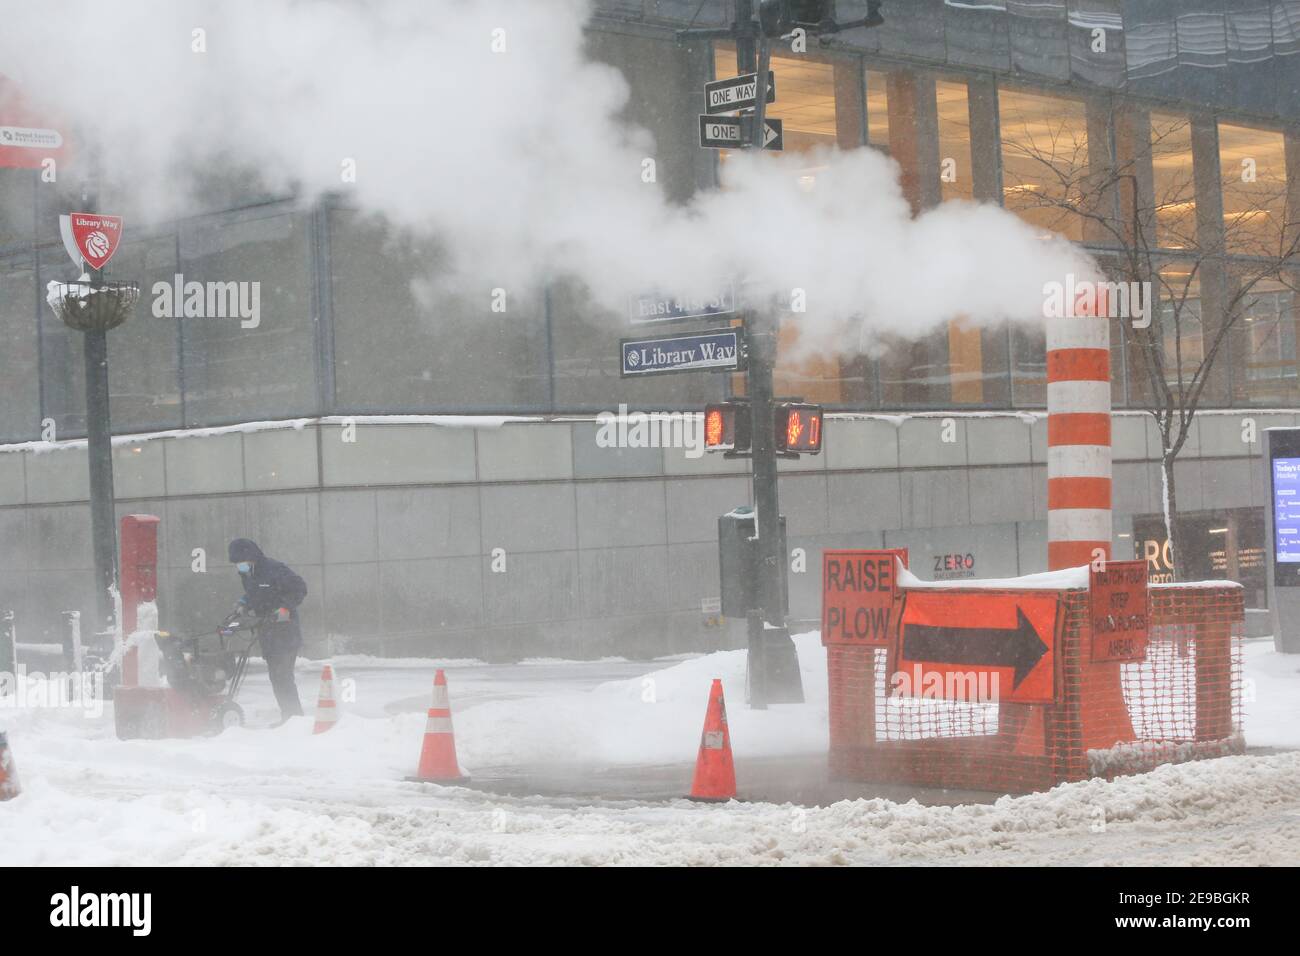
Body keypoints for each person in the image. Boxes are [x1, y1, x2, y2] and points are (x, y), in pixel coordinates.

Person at [228, 538, 308, 724]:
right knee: (276, 677)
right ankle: (289, 718)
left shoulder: (274, 569)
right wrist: (244, 603)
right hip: (268, 633)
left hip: (286, 632)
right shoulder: (249, 574)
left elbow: (300, 588)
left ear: (250, 557)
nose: (239, 567)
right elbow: (255, 593)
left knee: (283, 676)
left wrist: (285, 608)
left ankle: (295, 719)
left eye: (240, 562)